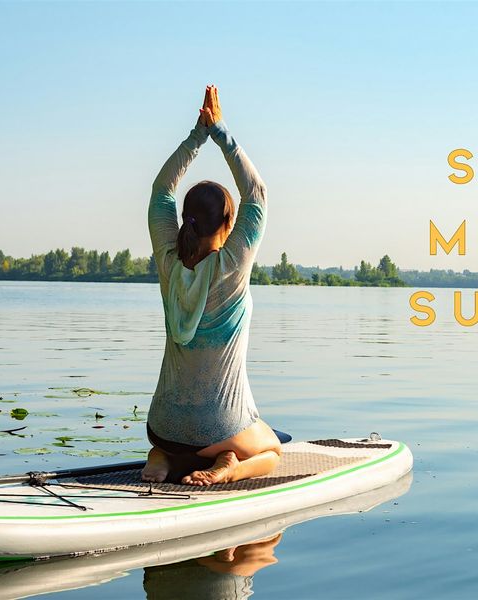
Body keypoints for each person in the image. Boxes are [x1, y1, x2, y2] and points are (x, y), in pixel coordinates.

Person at [142, 85, 281, 486]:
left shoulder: (168, 261)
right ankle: (230, 466)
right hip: (220, 427)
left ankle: (162, 458)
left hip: (162, 425)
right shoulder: (231, 266)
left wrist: (196, 136)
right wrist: (220, 131)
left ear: (186, 219)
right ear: (227, 224)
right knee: (272, 450)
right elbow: (258, 193)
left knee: (178, 444)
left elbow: (161, 190)